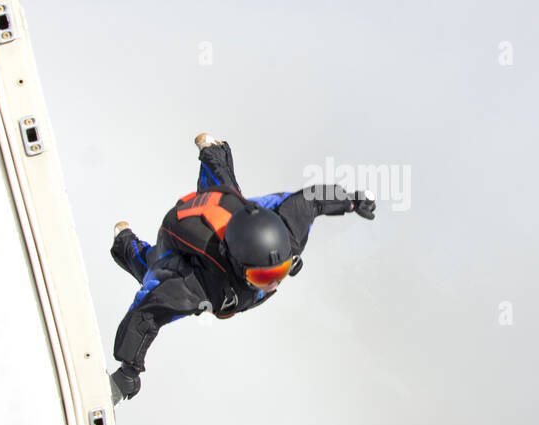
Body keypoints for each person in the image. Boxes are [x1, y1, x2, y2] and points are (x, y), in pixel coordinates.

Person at [109, 134, 375, 403]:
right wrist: (129, 370)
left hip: (227, 204)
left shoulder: (288, 233)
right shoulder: (199, 285)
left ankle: (211, 150)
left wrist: (351, 201)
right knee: (149, 271)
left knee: (224, 184)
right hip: (178, 231)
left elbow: (312, 200)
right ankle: (124, 240)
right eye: (263, 277)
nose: (273, 284)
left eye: (279, 272)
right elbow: (147, 313)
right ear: (237, 266)